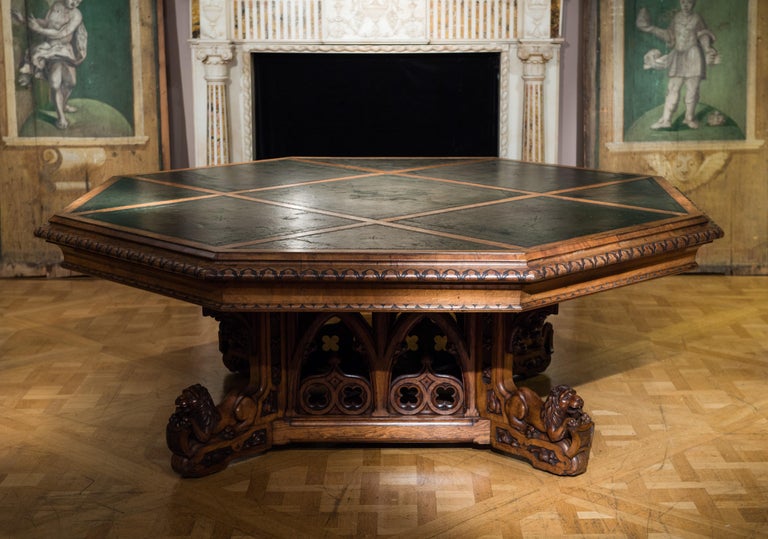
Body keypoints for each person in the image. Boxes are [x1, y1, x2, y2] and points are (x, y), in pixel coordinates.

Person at [636, 0, 719, 129]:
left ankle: (689, 118)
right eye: (683, 2)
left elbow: (703, 35)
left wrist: (707, 49)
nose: (685, 5)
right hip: (678, 56)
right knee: (673, 88)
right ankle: (666, 120)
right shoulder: (677, 17)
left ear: (693, 4)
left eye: (689, 3)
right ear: (680, 3)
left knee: (692, 89)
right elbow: (670, 36)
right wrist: (651, 28)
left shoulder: (697, 18)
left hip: (694, 55)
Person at [12, 0, 87, 129]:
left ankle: (63, 105)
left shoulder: (77, 14)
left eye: (78, 1)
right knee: (55, 83)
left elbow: (62, 33)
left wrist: (39, 29)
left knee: (71, 83)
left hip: (65, 49)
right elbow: (47, 24)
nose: (75, 3)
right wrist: (26, 21)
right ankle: (61, 117)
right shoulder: (56, 5)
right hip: (50, 49)